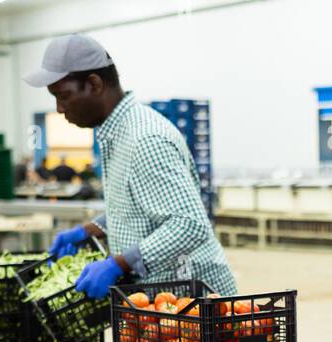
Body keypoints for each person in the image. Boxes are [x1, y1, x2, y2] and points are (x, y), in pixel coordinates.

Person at [24, 33, 237, 298]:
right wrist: (88, 231)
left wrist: (118, 264)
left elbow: (189, 224)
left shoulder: (144, 139)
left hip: (193, 302)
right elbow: (140, 210)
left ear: (94, 84)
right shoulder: (118, 135)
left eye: (63, 95)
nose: (59, 108)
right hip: (161, 300)